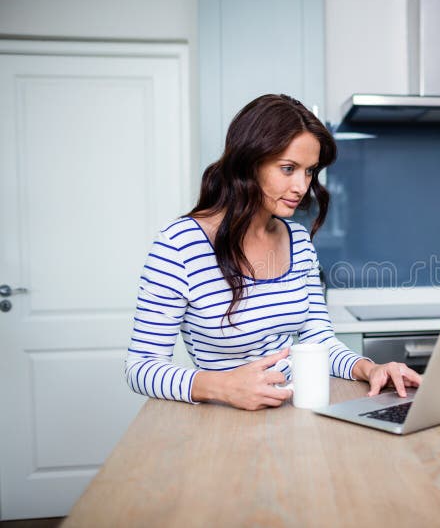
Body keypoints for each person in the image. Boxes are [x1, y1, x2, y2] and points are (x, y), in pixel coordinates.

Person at [125, 94, 422, 410]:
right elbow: (141, 366)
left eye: (309, 171)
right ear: (249, 163)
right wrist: (222, 386)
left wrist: (371, 368)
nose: (301, 186)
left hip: (289, 413)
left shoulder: (297, 240)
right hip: (218, 422)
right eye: (288, 168)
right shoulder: (179, 245)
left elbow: (317, 341)